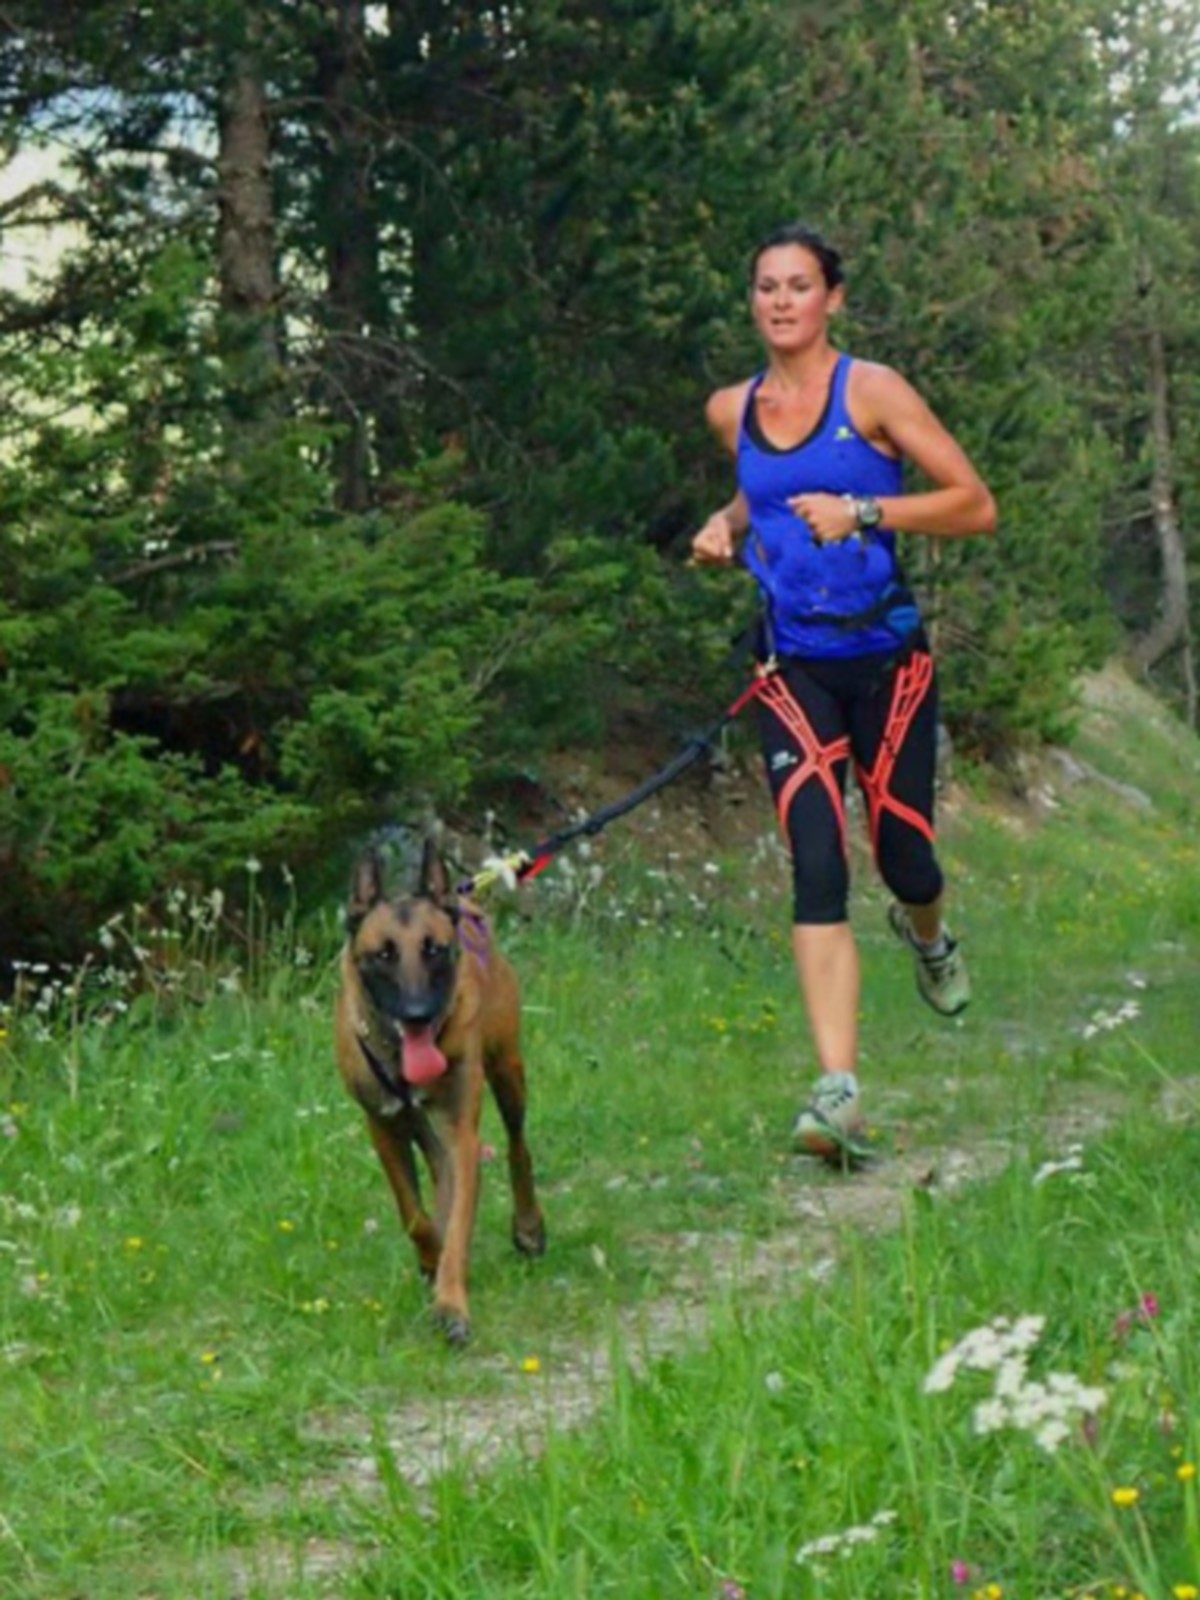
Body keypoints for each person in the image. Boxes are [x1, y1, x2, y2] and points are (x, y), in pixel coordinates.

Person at [691, 222, 997, 1163]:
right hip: (792, 670)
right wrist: (726, 519)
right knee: (817, 863)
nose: (781, 301)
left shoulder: (872, 392)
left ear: (833, 299)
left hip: (889, 663)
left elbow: (975, 505)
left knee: (904, 855)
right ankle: (839, 1095)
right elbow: (765, 494)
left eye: (799, 286)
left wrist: (866, 510)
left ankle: (931, 935)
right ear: (753, 301)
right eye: (766, 287)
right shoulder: (729, 409)